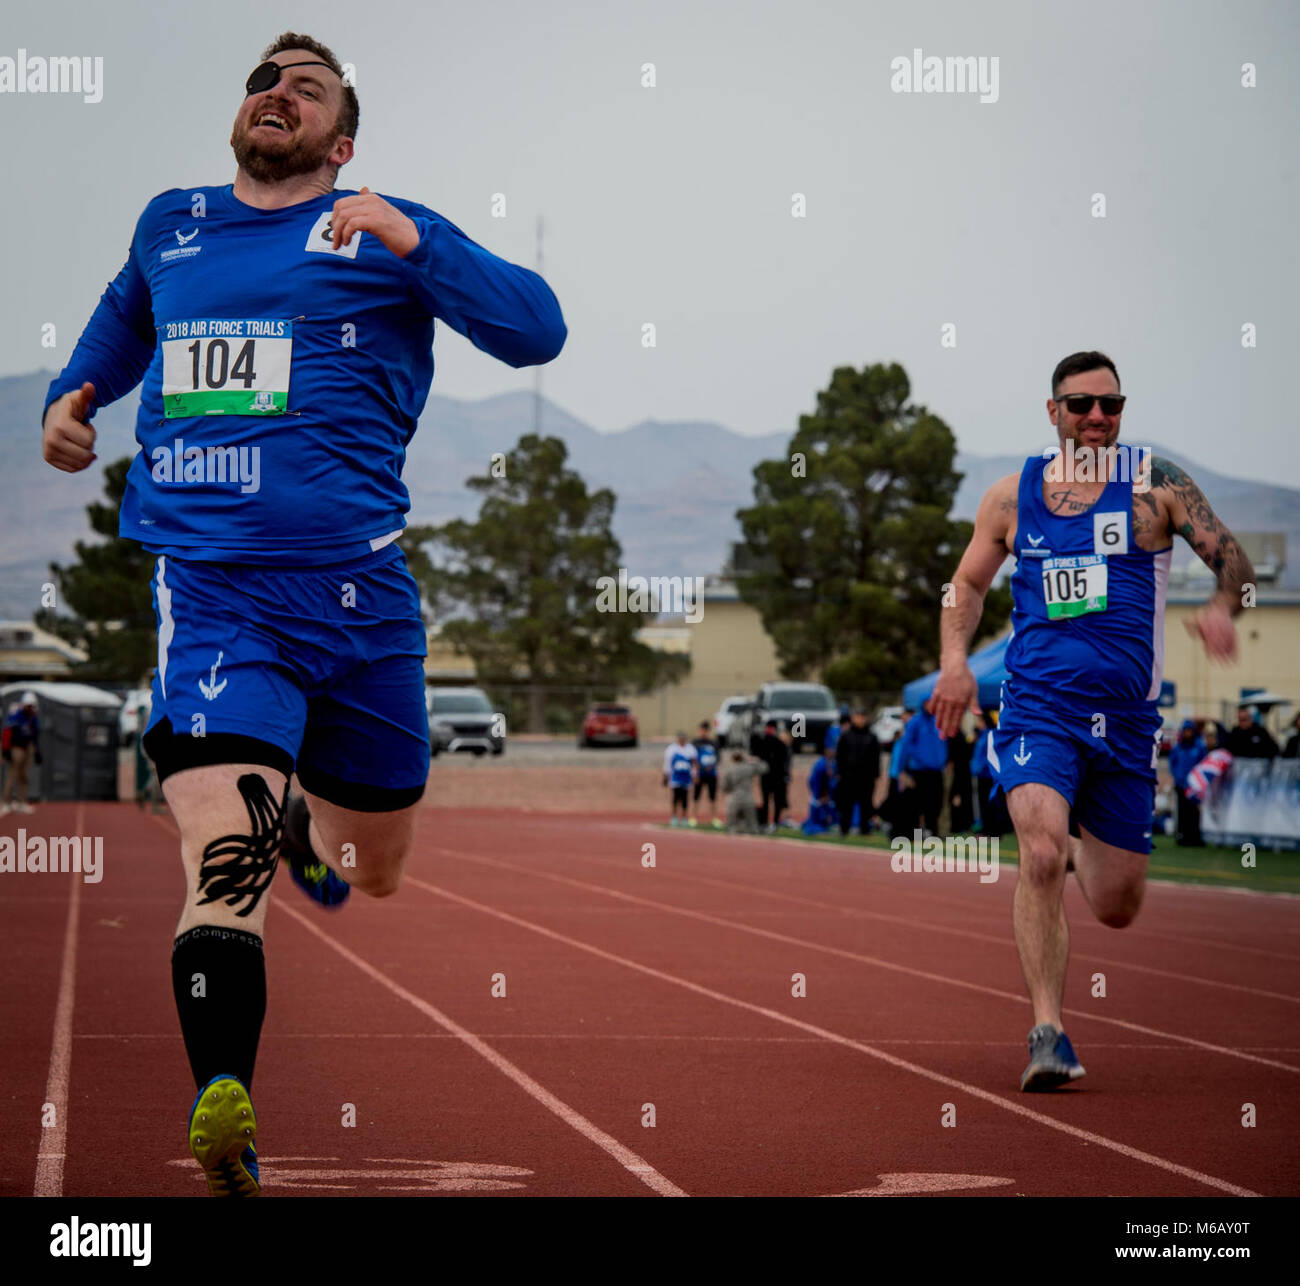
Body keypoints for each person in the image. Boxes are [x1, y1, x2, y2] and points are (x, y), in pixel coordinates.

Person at [40, 34, 565, 1197]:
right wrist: (69, 402)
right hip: (218, 589)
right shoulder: (170, 223)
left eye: (307, 85)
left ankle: (311, 833)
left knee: (371, 865)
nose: (276, 91)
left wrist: (413, 239)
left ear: (343, 137)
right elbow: (121, 329)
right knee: (222, 861)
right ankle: (225, 1106)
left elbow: (536, 331)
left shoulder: (382, 227)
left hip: (365, 599)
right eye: (262, 80)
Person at [932, 350, 1254, 1091]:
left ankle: (1075, 839)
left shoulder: (1157, 486)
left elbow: (1234, 562)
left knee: (1116, 906)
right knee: (1039, 856)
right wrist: (954, 660)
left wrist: (1220, 607)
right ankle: (1048, 1031)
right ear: (1054, 414)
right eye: (1081, 406)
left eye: (1111, 405)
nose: (1098, 418)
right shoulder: (1012, 498)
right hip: (1038, 707)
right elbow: (966, 586)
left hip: (1129, 723)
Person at [897, 698, 948, 836]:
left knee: (935, 803)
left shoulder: (938, 722)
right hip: (919, 770)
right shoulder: (915, 722)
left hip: (936, 770)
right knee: (916, 804)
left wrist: (943, 760)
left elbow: (943, 743)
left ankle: (932, 831)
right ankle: (912, 833)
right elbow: (906, 745)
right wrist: (901, 770)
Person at [834, 707, 880, 836]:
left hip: (866, 778)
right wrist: (841, 773)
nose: (860, 720)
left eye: (862, 717)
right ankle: (844, 829)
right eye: (857, 717)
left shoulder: (871, 737)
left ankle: (865, 830)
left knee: (866, 805)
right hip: (848, 777)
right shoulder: (846, 736)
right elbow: (840, 756)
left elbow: (875, 757)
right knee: (846, 805)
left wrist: (875, 774)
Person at [1, 693, 42, 814]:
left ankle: (22, 802)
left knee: (24, 776)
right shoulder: (16, 716)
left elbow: (35, 736)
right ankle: (6, 802)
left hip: (27, 748)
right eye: (29, 705)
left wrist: (37, 751)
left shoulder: (33, 718)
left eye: (32, 706)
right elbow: (7, 732)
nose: (30, 708)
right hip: (16, 747)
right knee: (12, 775)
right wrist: (6, 749)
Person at [1168, 720, 1206, 846]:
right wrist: (1178, 777)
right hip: (1181, 785)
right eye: (1186, 731)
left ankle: (1195, 837)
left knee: (1194, 812)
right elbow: (1172, 764)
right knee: (1182, 812)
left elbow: (1203, 763)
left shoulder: (1199, 746)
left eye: (1190, 731)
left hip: (1195, 786)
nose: (1188, 733)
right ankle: (1182, 836)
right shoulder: (1178, 747)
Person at [754, 720, 789, 832]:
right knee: (775, 801)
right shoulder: (780, 744)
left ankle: (766, 822)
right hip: (775, 777)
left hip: (768, 777)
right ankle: (774, 822)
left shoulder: (762, 742)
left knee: (768, 800)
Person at [722, 749, 766, 834]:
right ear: (742, 758)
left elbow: (724, 787)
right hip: (747, 797)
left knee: (731, 825)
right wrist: (755, 761)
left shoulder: (729, 770)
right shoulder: (748, 768)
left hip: (734, 798)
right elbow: (764, 768)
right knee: (752, 824)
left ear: (732, 758)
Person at [663, 732, 698, 827]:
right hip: (675, 778)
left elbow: (695, 763)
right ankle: (674, 817)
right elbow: (667, 764)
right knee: (675, 798)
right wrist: (666, 776)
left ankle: (684, 817)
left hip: (686, 778)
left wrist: (695, 775)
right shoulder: (671, 749)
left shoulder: (691, 749)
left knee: (685, 799)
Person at [690, 721, 721, 828]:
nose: (704, 732)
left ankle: (714, 818)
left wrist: (712, 766)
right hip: (700, 773)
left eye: (706, 730)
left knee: (712, 797)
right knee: (696, 796)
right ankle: (693, 817)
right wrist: (696, 772)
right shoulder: (695, 743)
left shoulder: (713, 743)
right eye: (702, 730)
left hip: (711, 773)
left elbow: (718, 758)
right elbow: (692, 758)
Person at [805, 745, 839, 832]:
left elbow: (833, 782)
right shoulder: (820, 765)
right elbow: (813, 781)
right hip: (819, 796)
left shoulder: (834, 764)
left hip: (827, 797)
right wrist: (819, 796)